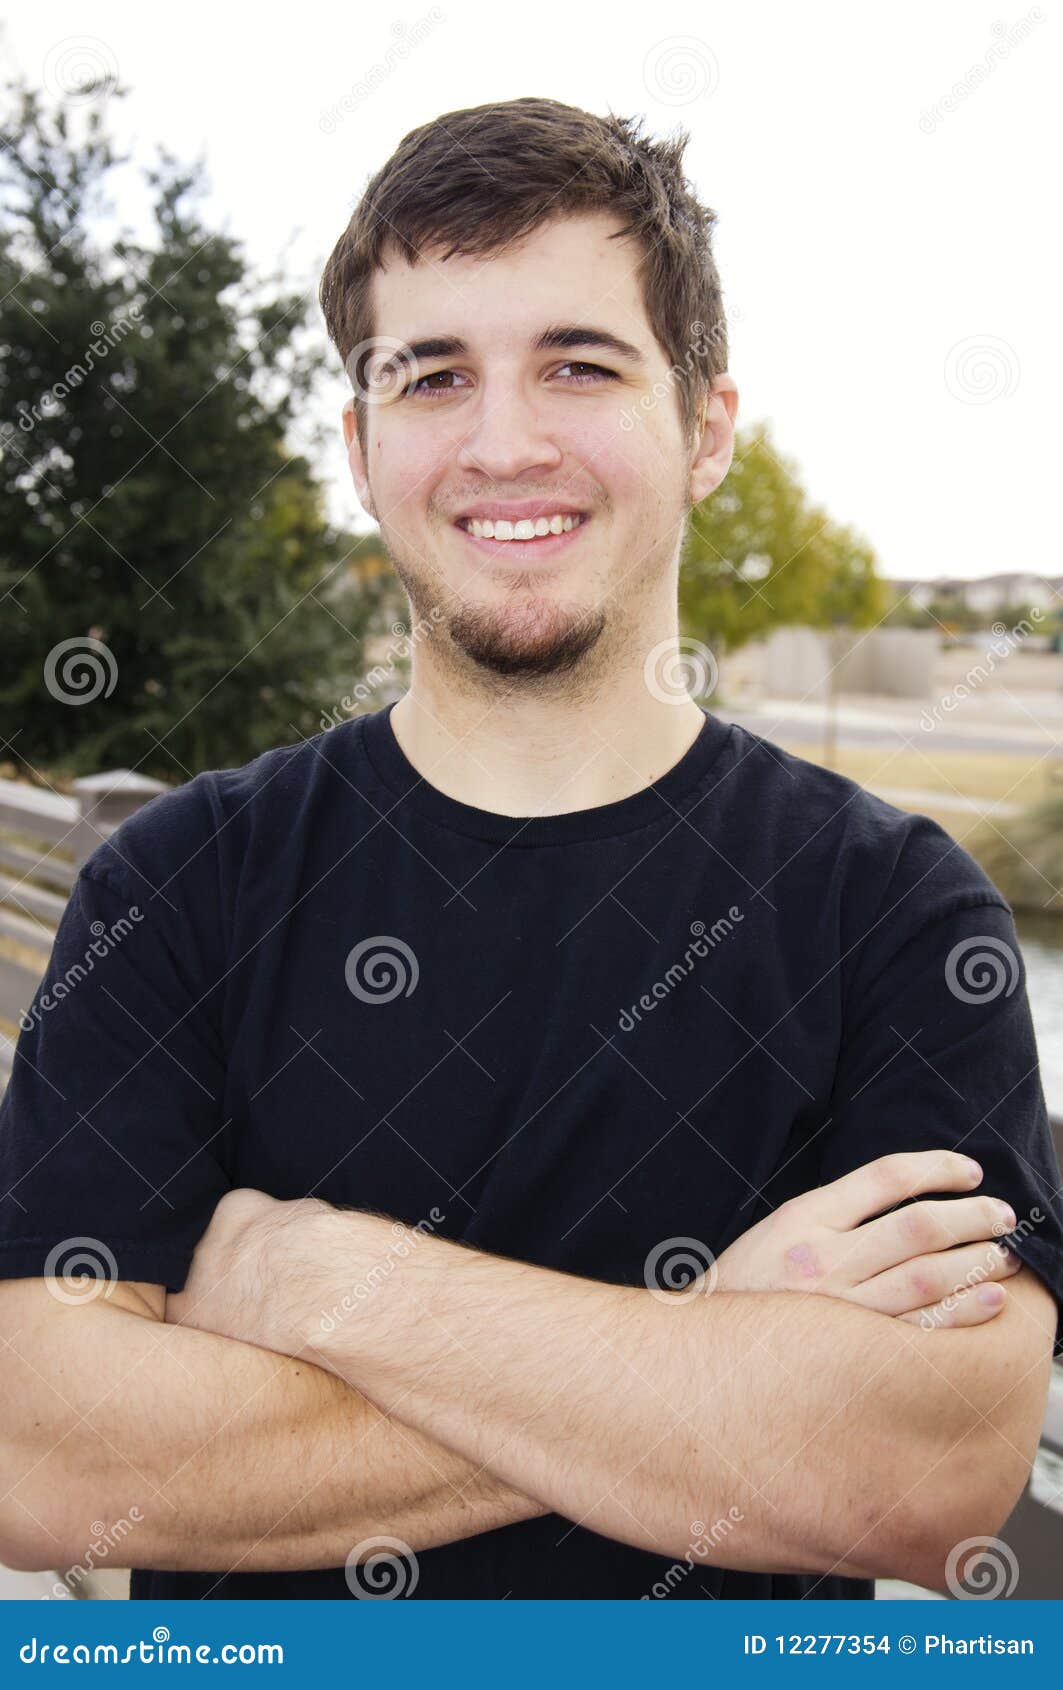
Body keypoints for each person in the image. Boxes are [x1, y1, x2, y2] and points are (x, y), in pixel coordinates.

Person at [1, 97, 1061, 1603]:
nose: (504, 442)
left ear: (703, 426)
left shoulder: (889, 910)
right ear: (363, 451)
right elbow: (48, 1458)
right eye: (432, 377)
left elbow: (927, 1474)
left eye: (578, 363)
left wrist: (319, 1283)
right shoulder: (179, 885)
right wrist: (720, 1353)